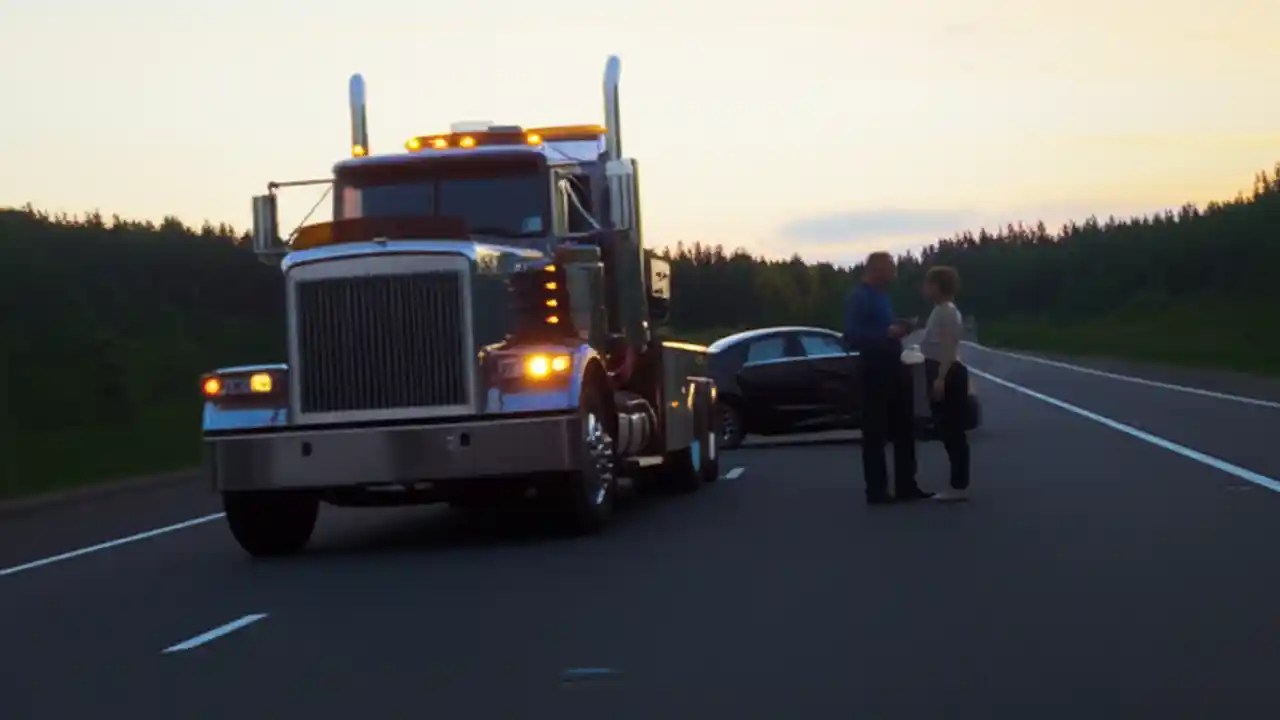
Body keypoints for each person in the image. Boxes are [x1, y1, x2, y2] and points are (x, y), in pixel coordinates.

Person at [843, 252, 932, 505]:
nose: (894, 274)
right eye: (890, 269)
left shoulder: (882, 297)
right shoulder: (859, 297)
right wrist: (887, 332)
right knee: (874, 432)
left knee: (904, 427)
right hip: (873, 367)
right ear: (876, 270)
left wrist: (901, 327)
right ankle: (877, 490)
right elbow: (851, 335)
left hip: (894, 364)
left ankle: (906, 485)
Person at [920, 266, 970, 502]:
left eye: (928, 284)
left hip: (947, 372)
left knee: (952, 431)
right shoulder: (939, 310)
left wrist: (941, 377)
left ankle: (958, 485)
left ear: (938, 286)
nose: (925, 288)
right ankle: (957, 483)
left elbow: (949, 346)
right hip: (942, 370)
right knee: (948, 430)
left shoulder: (946, 312)